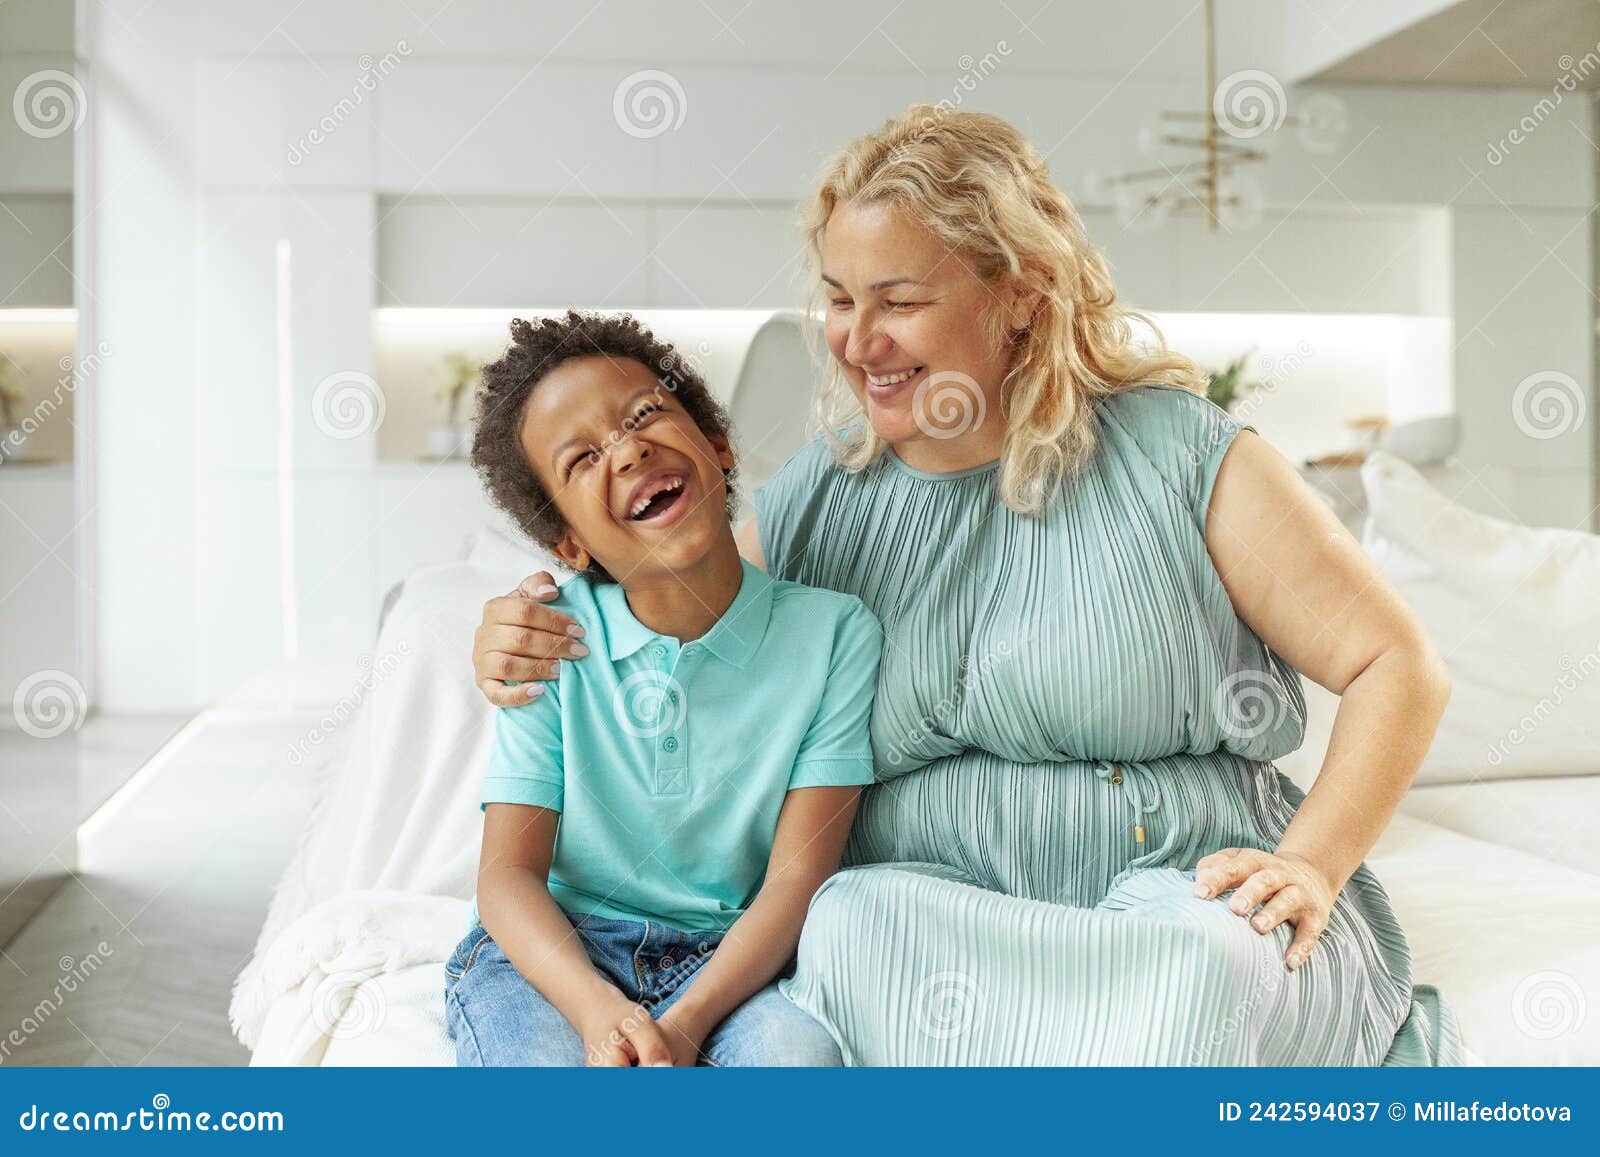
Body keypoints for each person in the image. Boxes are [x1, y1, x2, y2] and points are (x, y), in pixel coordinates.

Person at [468, 107, 1462, 1065]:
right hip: (926, 909)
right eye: (841, 299)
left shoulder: (1180, 453)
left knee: (1197, 963)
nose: (857, 340)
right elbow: (682, 611)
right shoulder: (826, 487)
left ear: (1018, 289)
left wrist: (1313, 861)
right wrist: (515, 629)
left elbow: (1396, 664)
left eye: (897, 300)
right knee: (845, 928)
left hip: (1179, 891)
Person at [445, 310, 882, 1066]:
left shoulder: (836, 635)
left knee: (798, 1061)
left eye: (644, 413)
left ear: (715, 444)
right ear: (569, 544)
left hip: (731, 961)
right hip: (556, 956)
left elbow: (795, 878)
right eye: (582, 458)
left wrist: (685, 1022)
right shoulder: (551, 637)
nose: (629, 448)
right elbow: (507, 876)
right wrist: (597, 1011)